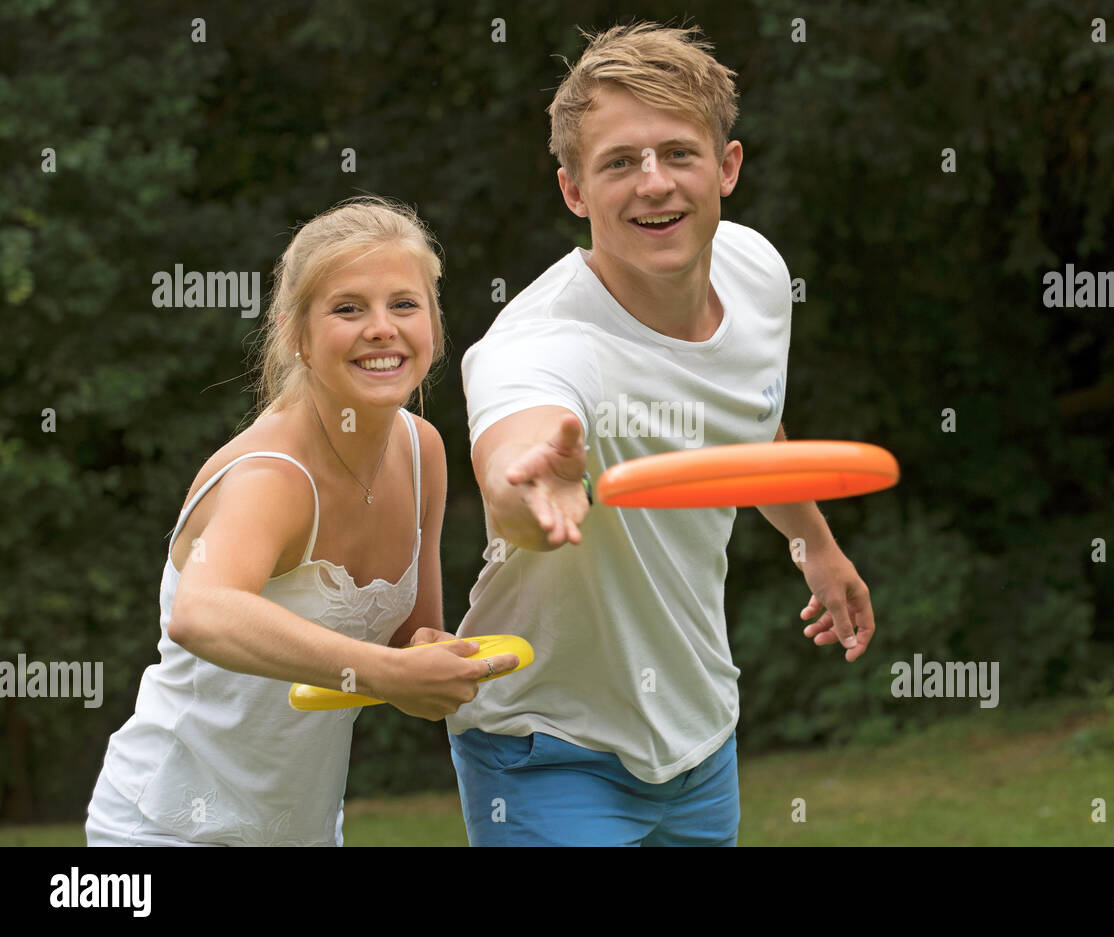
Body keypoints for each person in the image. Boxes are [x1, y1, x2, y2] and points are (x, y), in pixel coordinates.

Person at [446, 22, 876, 846]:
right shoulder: (539, 342)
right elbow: (510, 460)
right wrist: (528, 491)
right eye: (618, 162)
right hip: (545, 741)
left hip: (700, 733)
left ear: (727, 167)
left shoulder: (756, 273)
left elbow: (747, 421)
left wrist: (814, 542)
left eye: (678, 153)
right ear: (573, 189)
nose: (654, 184)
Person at [86, 196, 518, 846]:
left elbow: (403, 638)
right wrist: (386, 675)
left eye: (404, 304)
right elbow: (201, 612)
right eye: (348, 308)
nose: (381, 327)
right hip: (166, 827)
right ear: (296, 334)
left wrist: (428, 660)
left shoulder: (422, 450)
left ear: (433, 321)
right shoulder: (272, 477)